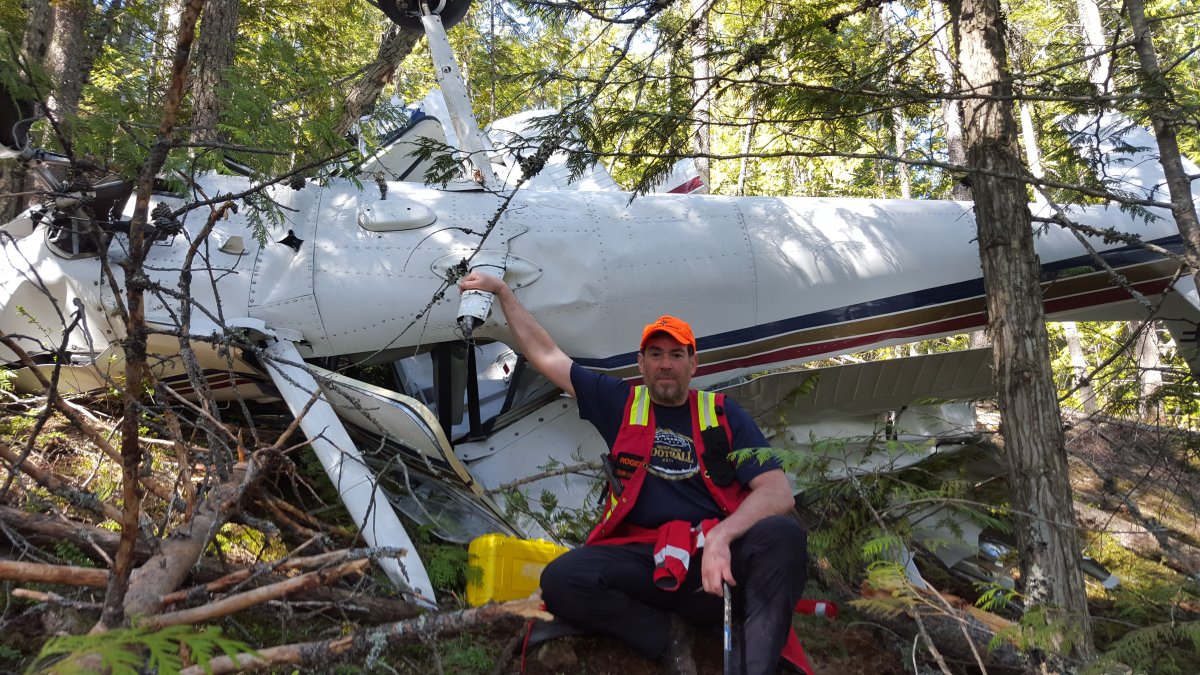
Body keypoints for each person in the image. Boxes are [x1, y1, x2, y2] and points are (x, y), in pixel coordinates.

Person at [458, 271, 810, 675]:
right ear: (640, 363)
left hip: (713, 570)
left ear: (693, 364)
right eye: (656, 355)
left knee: (783, 535)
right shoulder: (621, 404)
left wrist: (721, 537)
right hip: (643, 563)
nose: (666, 365)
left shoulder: (722, 414)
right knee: (562, 580)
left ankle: (757, 667)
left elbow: (777, 492)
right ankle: (665, 639)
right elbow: (547, 356)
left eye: (676, 355)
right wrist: (503, 292)